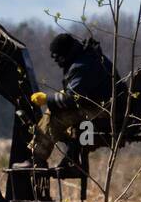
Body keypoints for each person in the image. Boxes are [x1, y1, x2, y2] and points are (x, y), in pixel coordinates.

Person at [28, 32, 116, 166]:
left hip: (105, 111)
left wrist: (47, 99)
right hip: (107, 106)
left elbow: (72, 98)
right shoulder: (86, 56)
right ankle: (71, 158)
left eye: (58, 58)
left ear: (65, 54)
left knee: (55, 116)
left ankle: (36, 158)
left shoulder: (82, 66)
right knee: (59, 106)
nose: (57, 62)